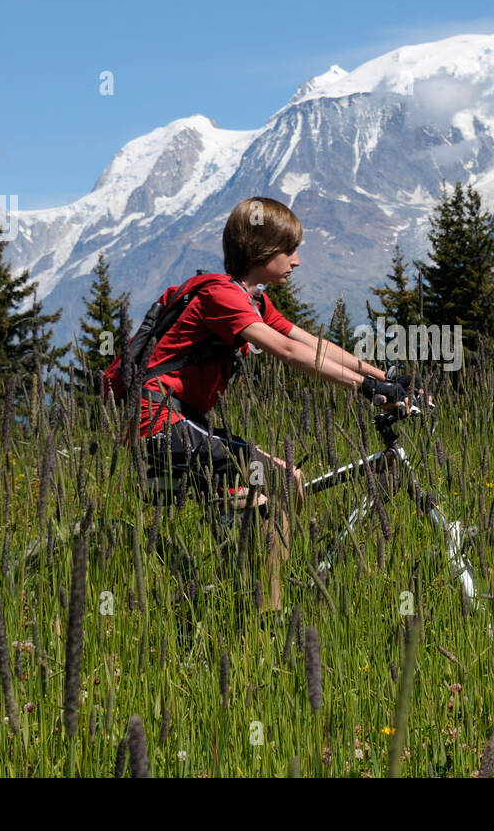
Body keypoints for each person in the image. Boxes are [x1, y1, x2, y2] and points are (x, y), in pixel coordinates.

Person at [131, 196, 412, 612]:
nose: (296, 261)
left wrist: (382, 378)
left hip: (185, 419)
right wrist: (362, 389)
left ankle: (232, 587)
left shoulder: (254, 300)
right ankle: (267, 620)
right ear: (260, 253)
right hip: (158, 419)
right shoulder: (222, 298)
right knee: (271, 506)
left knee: (283, 478)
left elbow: (310, 342)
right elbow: (284, 350)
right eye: (289, 251)